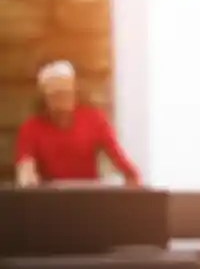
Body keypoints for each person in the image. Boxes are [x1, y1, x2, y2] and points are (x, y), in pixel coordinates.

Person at [14, 60, 141, 188]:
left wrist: (132, 180)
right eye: (56, 95)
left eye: (67, 92)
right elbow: (26, 168)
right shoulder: (31, 128)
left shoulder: (95, 119)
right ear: (45, 97)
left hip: (87, 195)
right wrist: (28, 181)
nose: (62, 100)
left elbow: (119, 159)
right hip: (50, 198)